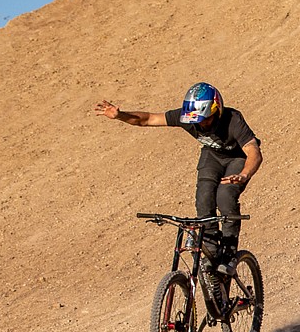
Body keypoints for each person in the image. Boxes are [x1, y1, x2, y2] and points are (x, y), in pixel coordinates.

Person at [94, 82, 263, 251]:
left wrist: (244, 174)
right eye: (197, 120)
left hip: (238, 158)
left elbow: (253, 152)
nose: (201, 124)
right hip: (212, 156)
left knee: (225, 195)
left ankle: (229, 250)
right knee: (204, 197)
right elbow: (148, 119)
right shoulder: (187, 118)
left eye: (205, 119)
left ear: (217, 110)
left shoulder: (233, 119)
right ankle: (210, 249)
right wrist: (120, 115)